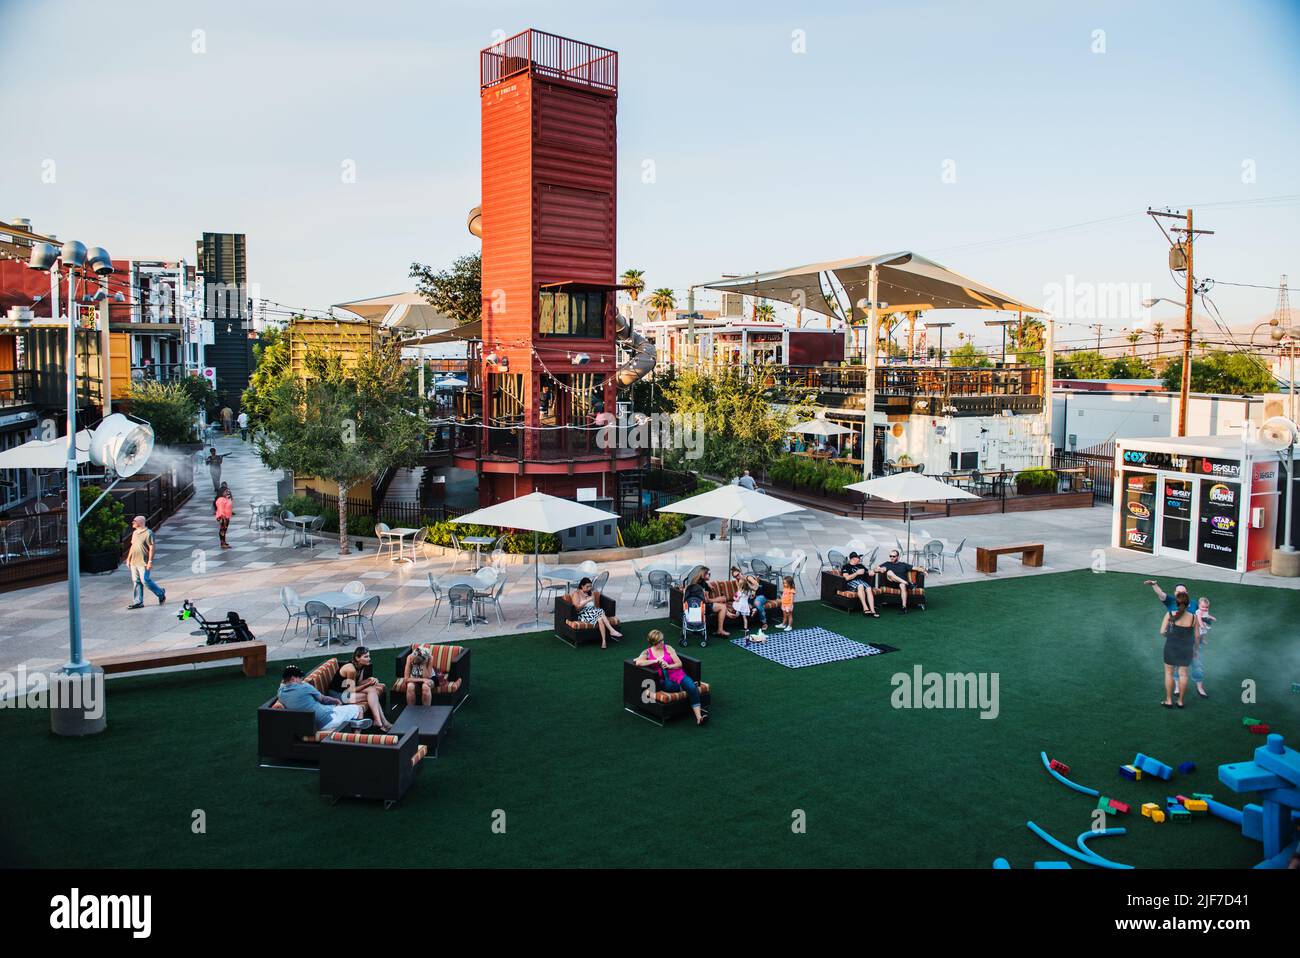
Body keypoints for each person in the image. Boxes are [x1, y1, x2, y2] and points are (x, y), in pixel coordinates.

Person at [634, 629, 707, 725]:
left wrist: (669, 666)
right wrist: (655, 661)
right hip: (663, 679)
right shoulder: (647, 652)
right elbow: (639, 662)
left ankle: (699, 718)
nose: (662, 642)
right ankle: (683, 687)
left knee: (692, 688)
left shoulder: (668, 648)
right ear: (654, 643)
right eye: (660, 641)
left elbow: (679, 664)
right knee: (670, 687)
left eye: (663, 640)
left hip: (678, 674)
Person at [277, 664, 372, 732]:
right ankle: (355, 738)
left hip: (309, 726)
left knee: (335, 710)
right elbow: (323, 699)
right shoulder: (304, 686)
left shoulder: (280, 692)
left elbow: (283, 683)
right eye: (300, 677)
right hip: (326, 719)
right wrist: (335, 700)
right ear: (293, 678)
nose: (302, 679)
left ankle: (347, 723)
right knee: (358, 709)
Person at [330, 646, 391, 732]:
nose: (369, 659)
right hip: (338, 695)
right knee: (372, 695)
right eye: (365, 657)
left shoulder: (361, 666)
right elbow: (351, 690)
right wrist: (367, 684)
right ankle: (382, 722)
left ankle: (380, 721)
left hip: (346, 691)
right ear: (357, 658)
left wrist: (370, 679)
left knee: (372, 691)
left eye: (368, 656)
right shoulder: (351, 669)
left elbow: (358, 682)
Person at [1159, 593, 1200, 709]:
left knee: (1169, 673)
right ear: (1188, 604)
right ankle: (1180, 701)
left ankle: (1169, 700)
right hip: (1186, 649)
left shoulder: (1170, 614)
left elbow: (1162, 632)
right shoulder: (1193, 618)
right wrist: (1196, 650)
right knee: (1183, 675)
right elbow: (1197, 637)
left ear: (1176, 603)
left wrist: (1171, 637)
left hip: (1171, 647)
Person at [566, 576, 623, 649]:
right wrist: (587, 600)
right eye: (587, 586)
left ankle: (604, 642)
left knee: (600, 619)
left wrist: (590, 600)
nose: (589, 588)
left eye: (590, 586)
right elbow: (577, 607)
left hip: (593, 612)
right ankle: (611, 630)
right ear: (582, 586)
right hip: (583, 613)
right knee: (601, 611)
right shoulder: (576, 594)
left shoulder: (591, 593)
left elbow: (593, 606)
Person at [123, 515, 165, 609]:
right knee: (136, 581)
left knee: (145, 580)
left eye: (134, 521)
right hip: (134, 561)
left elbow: (152, 547)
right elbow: (133, 546)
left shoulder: (148, 533)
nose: (132, 522)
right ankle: (138, 602)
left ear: (140, 522)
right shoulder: (135, 533)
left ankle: (160, 592)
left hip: (143, 562)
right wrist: (128, 559)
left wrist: (150, 561)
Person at [1190, 597, 1216, 699]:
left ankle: (1199, 687)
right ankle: (1177, 686)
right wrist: (1201, 625)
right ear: (1199, 606)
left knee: (1197, 662)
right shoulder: (1198, 612)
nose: (1205, 609)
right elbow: (1199, 619)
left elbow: (1206, 616)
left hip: (1198, 636)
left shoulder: (1204, 611)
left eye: (1206, 607)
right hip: (1195, 632)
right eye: (1203, 607)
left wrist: (1211, 617)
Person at [872, 549, 914, 614]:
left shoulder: (903, 565)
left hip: (900, 583)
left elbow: (915, 568)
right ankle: (907, 583)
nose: (891, 557)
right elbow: (875, 569)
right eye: (890, 556)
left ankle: (904, 607)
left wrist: (924, 571)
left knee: (902, 585)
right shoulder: (887, 563)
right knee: (889, 572)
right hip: (891, 582)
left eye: (893, 556)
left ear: (898, 557)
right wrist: (880, 569)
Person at [839, 551, 879, 617]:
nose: (860, 559)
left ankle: (872, 610)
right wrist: (856, 573)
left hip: (861, 581)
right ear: (853, 559)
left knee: (869, 588)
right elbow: (846, 578)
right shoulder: (846, 567)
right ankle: (865, 608)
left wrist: (872, 571)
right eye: (858, 558)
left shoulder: (860, 565)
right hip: (851, 583)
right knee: (860, 586)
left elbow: (868, 572)